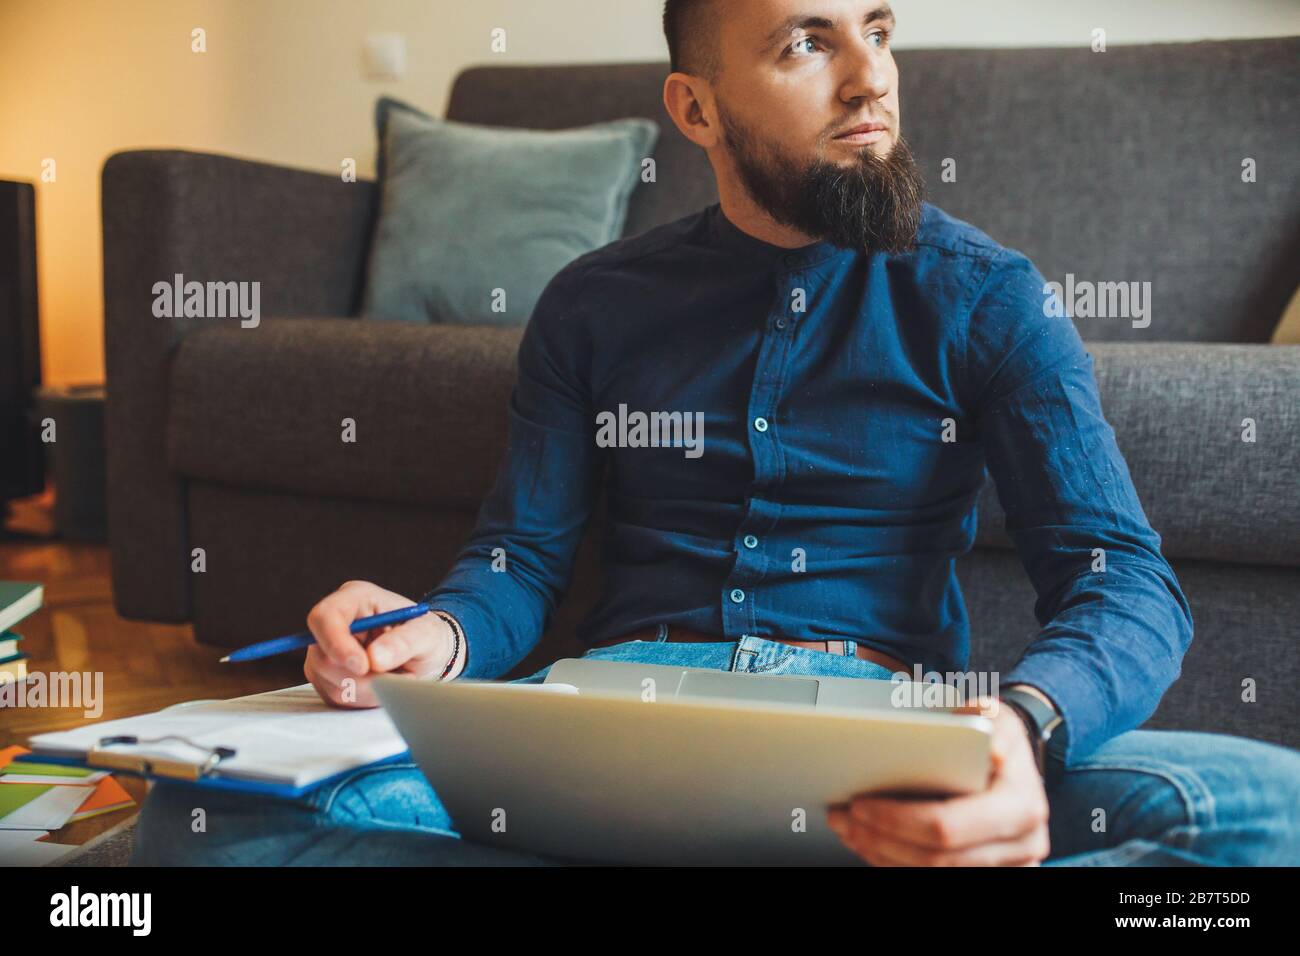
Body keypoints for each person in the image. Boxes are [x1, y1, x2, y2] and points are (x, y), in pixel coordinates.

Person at [133, 0, 1300, 866]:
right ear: (695, 106)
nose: (870, 82)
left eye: (877, 30)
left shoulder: (987, 295)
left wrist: (1019, 728)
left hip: (879, 743)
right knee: (197, 815)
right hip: (610, 724)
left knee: (1268, 817)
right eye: (806, 43)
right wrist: (424, 638)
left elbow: (1126, 585)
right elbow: (519, 563)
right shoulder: (594, 302)